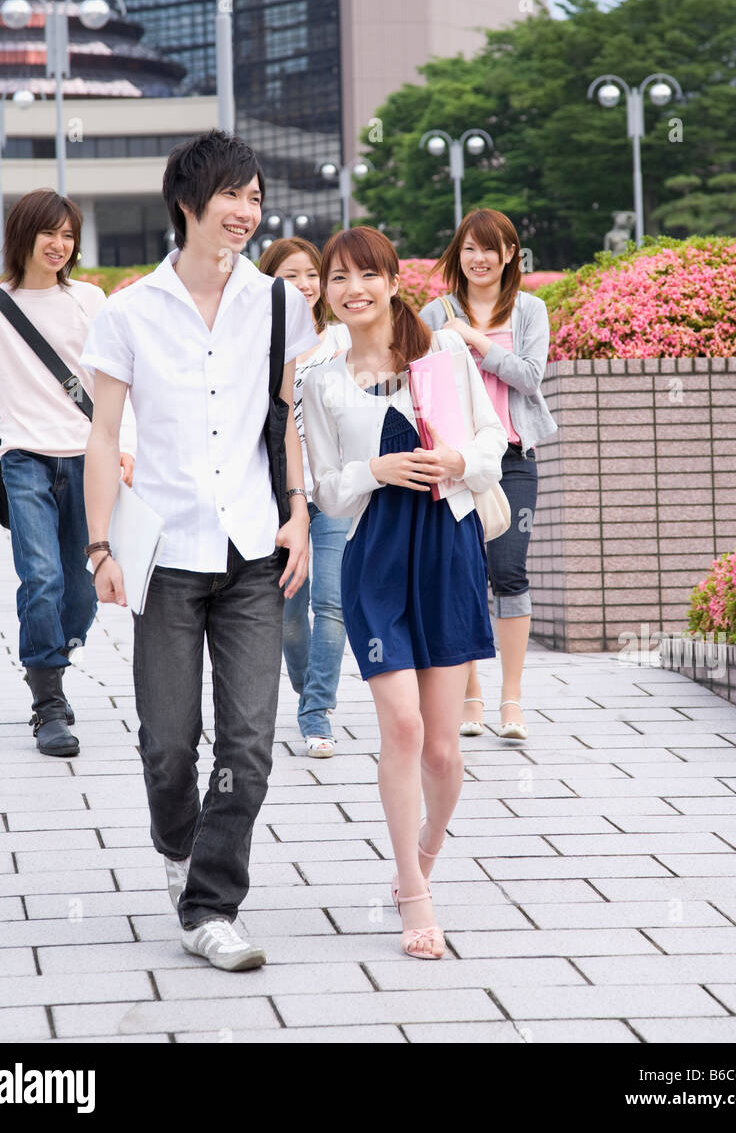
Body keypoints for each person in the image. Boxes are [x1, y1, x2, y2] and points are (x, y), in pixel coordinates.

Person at [80, 130, 317, 974]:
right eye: (233, 197)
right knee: (168, 745)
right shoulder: (129, 311)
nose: (248, 213)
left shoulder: (282, 305)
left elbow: (290, 421)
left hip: (256, 549)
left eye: (256, 198)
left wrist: (300, 513)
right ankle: (178, 839)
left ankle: (212, 905)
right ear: (189, 201)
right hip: (165, 556)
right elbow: (104, 434)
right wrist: (99, 545)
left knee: (250, 742)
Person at [302, 227, 506, 959]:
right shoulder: (321, 379)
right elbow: (324, 487)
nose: (352, 289)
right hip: (374, 559)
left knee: (445, 752)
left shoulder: (444, 355)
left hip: (447, 551)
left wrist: (457, 457)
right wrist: (375, 473)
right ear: (325, 294)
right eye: (337, 279)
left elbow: (492, 443)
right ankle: (412, 893)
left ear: (392, 281)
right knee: (404, 729)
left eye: (366, 275)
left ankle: (427, 844)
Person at [0, 189, 135, 757]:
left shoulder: (90, 300)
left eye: (68, 234)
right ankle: (48, 704)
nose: (59, 245)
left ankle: (50, 666)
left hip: (87, 460)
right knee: (42, 578)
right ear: (22, 235)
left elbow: (116, 383)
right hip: (22, 459)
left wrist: (125, 446)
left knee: (81, 591)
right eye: (49, 232)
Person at [420, 209, 557, 740]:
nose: (480, 259)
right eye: (470, 249)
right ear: (458, 255)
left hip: (513, 459)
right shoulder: (436, 311)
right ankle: (471, 698)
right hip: (457, 461)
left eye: (491, 249)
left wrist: (475, 341)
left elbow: (528, 376)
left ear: (509, 256)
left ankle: (512, 701)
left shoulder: (528, 310)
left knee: (509, 571)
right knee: (464, 574)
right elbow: (422, 384)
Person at [259, 238, 350, 759]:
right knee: (290, 615)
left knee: (331, 604)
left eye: (312, 274)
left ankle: (317, 711)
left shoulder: (339, 341)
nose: (307, 285)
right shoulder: (259, 346)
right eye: (292, 276)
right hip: (278, 495)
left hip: (333, 491)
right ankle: (307, 688)